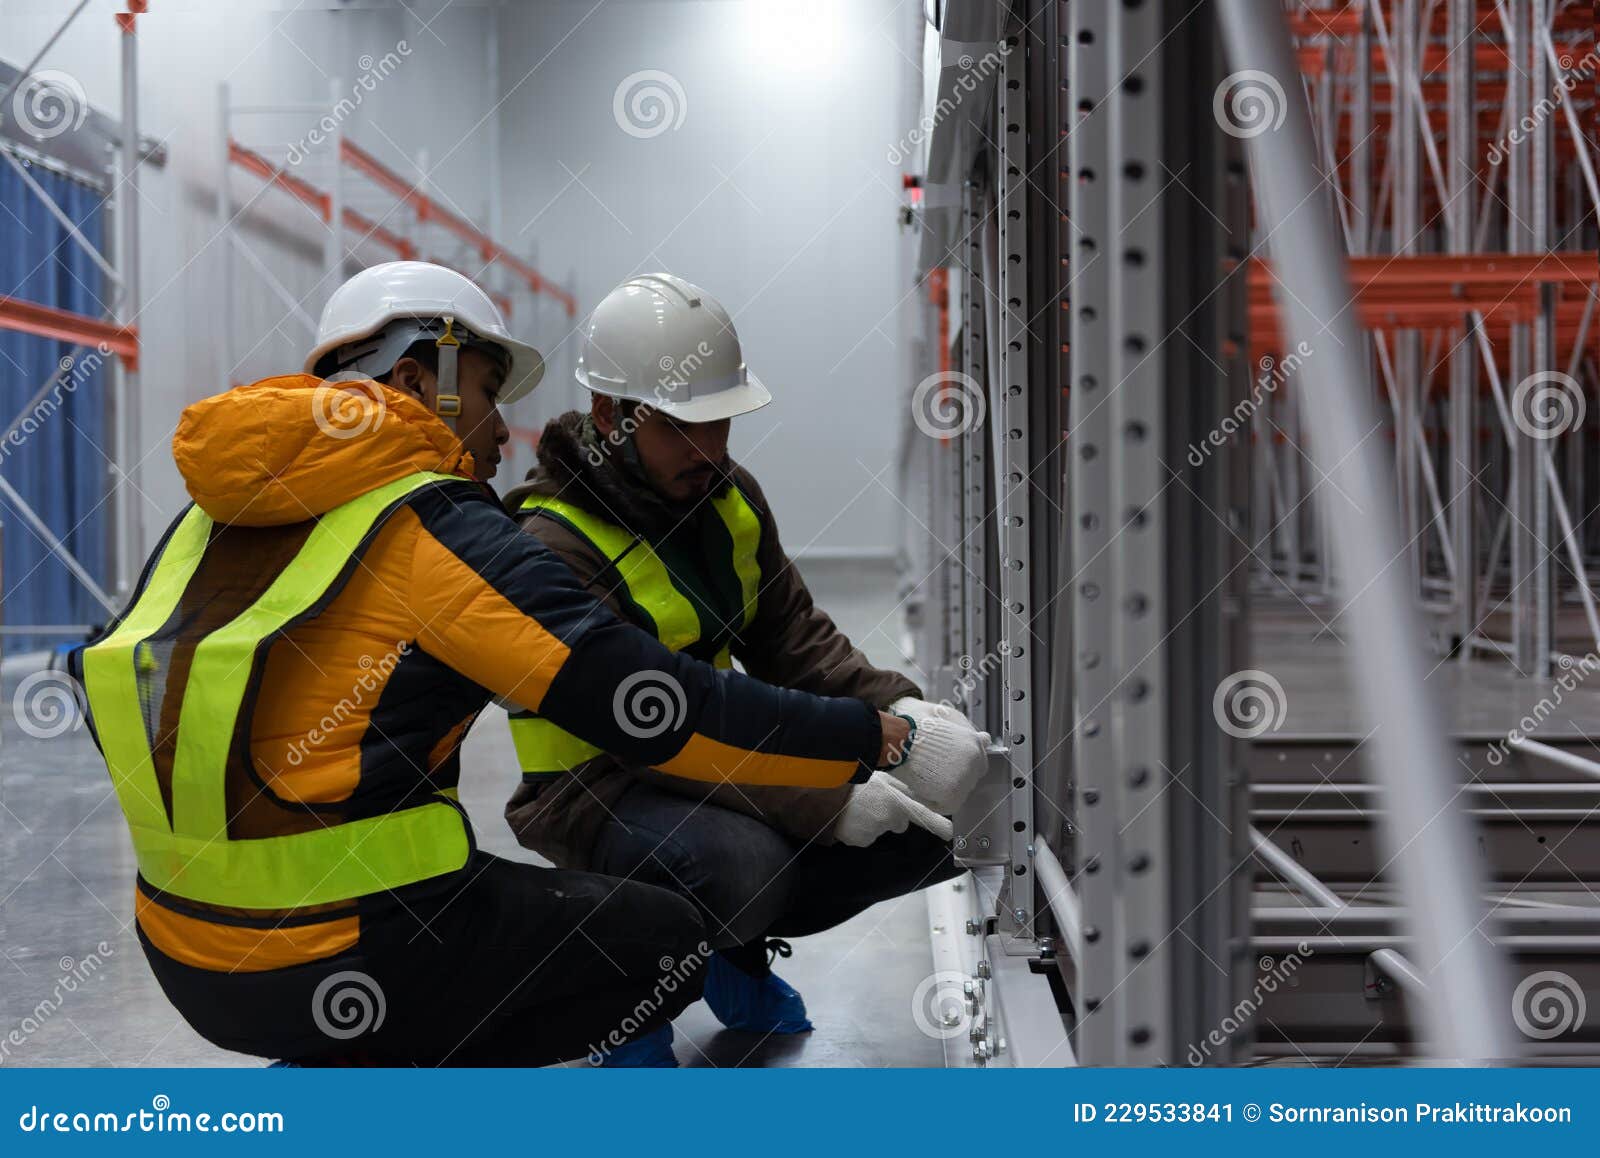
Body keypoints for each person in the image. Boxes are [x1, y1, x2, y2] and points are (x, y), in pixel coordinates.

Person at [73, 261, 988, 1067]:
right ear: (416, 380)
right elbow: (648, 707)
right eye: (481, 393)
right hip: (354, 943)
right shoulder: (433, 525)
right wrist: (879, 740)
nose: (500, 433)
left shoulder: (199, 527)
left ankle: (342, 1062)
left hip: (186, 961)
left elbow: (108, 682)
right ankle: (362, 1072)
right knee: (662, 943)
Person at [503, 272, 989, 1064]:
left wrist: (910, 712)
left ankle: (729, 953)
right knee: (736, 864)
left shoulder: (726, 497)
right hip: (598, 788)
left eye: (721, 421)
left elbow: (793, 636)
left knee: (930, 829)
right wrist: (823, 797)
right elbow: (645, 729)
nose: (712, 450)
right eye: (684, 428)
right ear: (610, 418)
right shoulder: (553, 545)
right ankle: (626, 1006)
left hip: (717, 754)